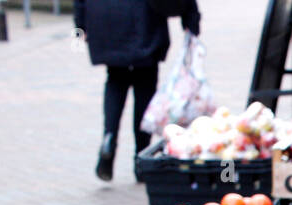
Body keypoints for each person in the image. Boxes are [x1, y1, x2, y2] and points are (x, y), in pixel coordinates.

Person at [75, 0, 202, 182]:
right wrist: (191, 20)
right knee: (145, 85)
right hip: (143, 22)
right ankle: (141, 158)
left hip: (106, 21)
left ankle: (109, 136)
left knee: (115, 79)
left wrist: (80, 25)